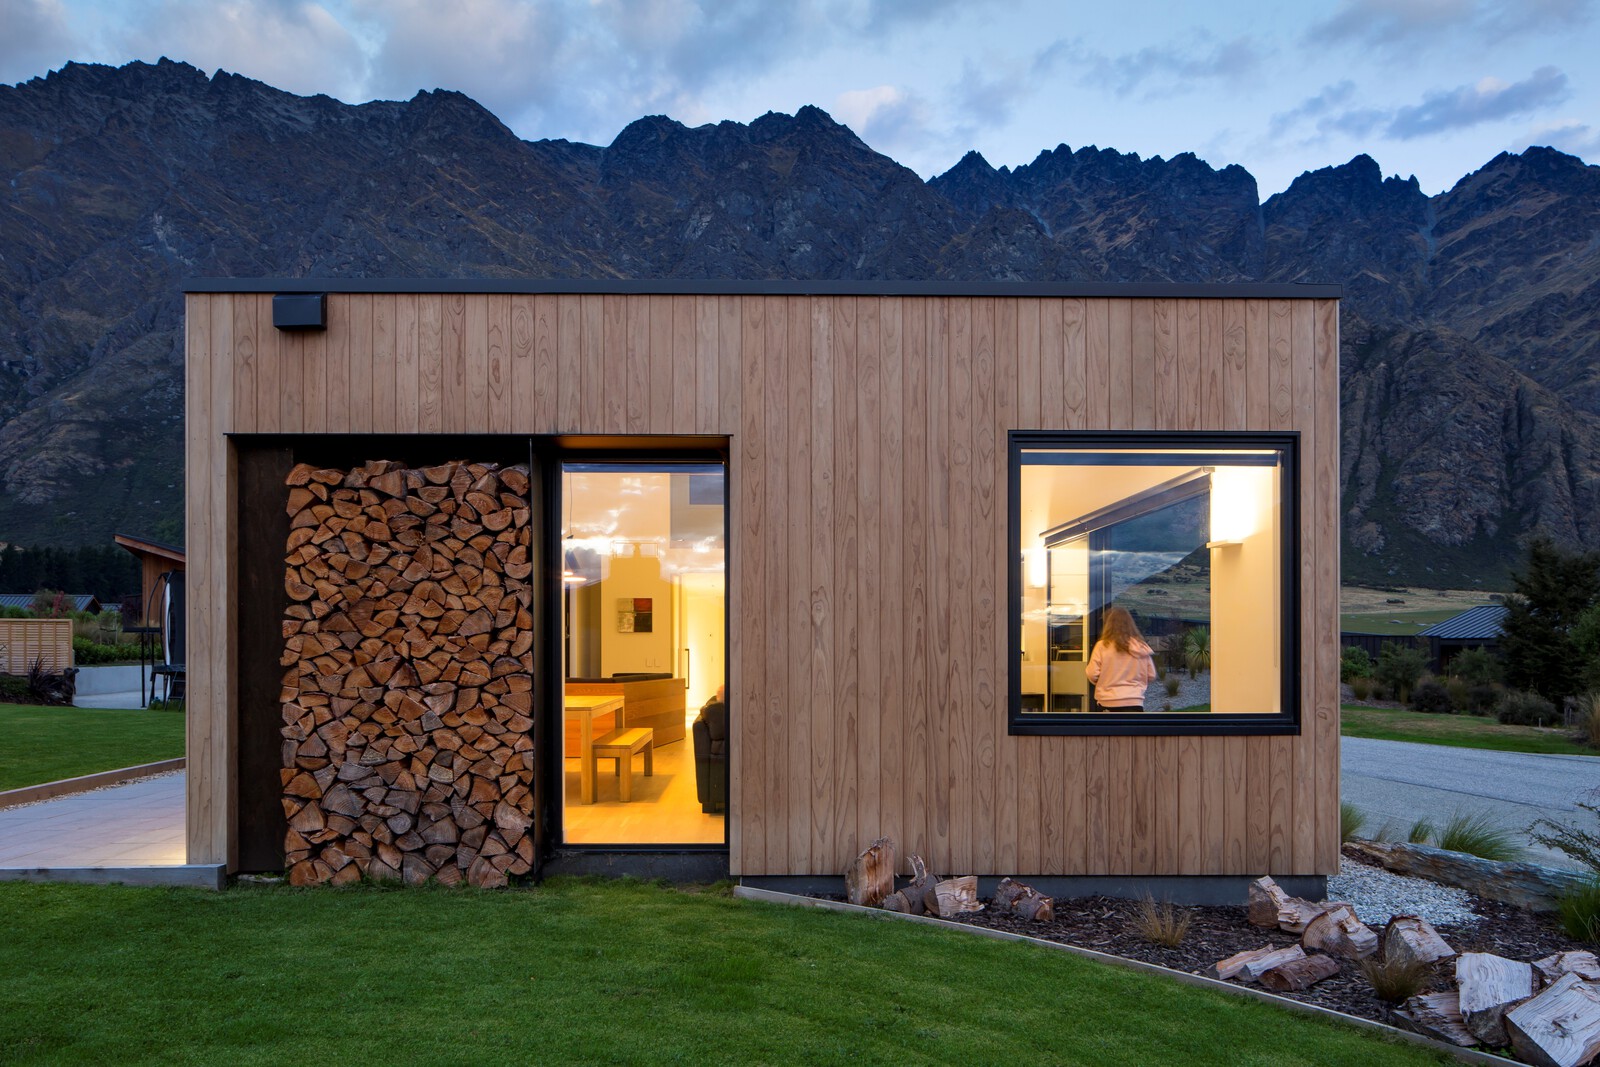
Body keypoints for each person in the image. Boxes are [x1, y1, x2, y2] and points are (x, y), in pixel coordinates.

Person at [1085, 606, 1156, 712]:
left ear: (1108, 624)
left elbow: (1092, 673)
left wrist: (1105, 681)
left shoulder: (1102, 646)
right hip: (1134, 702)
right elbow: (1151, 675)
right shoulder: (1141, 646)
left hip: (1108, 701)